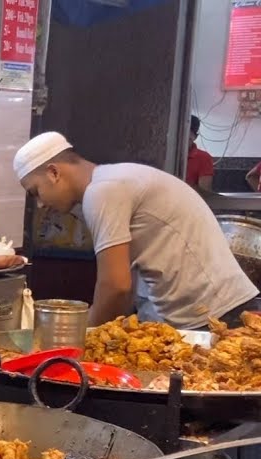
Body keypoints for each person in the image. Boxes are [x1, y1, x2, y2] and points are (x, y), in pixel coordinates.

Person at [15, 131, 259, 329]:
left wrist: (83, 339)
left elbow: (116, 286)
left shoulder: (102, 192)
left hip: (215, 317)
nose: (40, 204)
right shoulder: (115, 179)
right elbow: (127, 282)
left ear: (54, 172)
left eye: (36, 191)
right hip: (213, 311)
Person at [185, 115, 214, 193]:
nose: (184, 140)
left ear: (195, 137)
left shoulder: (204, 158)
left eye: (189, 136)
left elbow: (204, 193)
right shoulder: (167, 154)